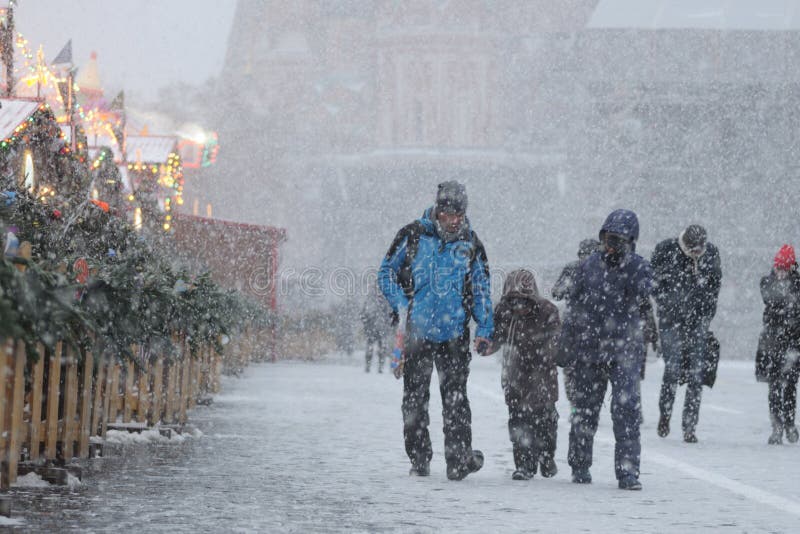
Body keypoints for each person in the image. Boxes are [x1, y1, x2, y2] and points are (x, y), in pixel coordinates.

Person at [378, 181, 493, 480]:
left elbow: (481, 287)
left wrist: (485, 326)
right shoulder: (413, 235)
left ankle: (457, 462)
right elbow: (386, 272)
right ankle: (419, 458)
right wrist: (403, 305)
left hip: (454, 335)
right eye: (448, 213)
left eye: (459, 214)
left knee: (456, 401)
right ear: (437, 210)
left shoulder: (471, 243)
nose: (454, 220)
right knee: (414, 401)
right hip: (417, 333)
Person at [558, 209, 653, 490]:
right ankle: (579, 465)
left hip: (624, 351)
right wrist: (567, 341)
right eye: (608, 239)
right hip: (590, 350)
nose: (611, 246)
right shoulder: (587, 266)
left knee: (625, 412)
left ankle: (628, 473)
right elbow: (573, 306)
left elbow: (649, 289)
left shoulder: (638, 267)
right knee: (585, 410)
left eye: (618, 240)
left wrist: (635, 270)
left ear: (631, 241)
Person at [485, 269, 561, 481]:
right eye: (514, 301)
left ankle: (547, 456)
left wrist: (543, 355)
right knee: (518, 422)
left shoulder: (548, 311)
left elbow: (555, 340)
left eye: (524, 301)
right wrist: (487, 345)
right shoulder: (503, 312)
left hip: (542, 374)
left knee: (546, 422)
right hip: (515, 374)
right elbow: (496, 337)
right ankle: (524, 465)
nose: (519, 307)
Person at [651, 224, 722, 443]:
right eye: (693, 251)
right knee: (672, 369)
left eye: (700, 251)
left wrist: (707, 312)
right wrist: (666, 303)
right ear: (684, 244)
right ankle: (665, 413)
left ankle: (690, 426)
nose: (696, 255)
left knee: (696, 373)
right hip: (671, 320)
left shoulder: (711, 253)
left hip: (698, 320)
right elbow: (652, 281)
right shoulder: (666, 249)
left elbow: (714, 285)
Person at [756, 245, 800, 445]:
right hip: (772, 341)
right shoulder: (767, 281)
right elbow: (771, 300)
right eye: (778, 268)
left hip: (793, 340)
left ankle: (789, 422)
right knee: (774, 384)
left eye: (784, 268)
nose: (780, 272)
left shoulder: (797, 283)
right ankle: (777, 425)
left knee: (790, 384)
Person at [360, 283, 393, 373]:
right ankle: (371, 366)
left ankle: (378, 367)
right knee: (374, 348)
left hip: (379, 329)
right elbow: (363, 314)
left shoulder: (379, 300)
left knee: (380, 348)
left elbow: (390, 315)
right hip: (374, 329)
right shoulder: (372, 300)